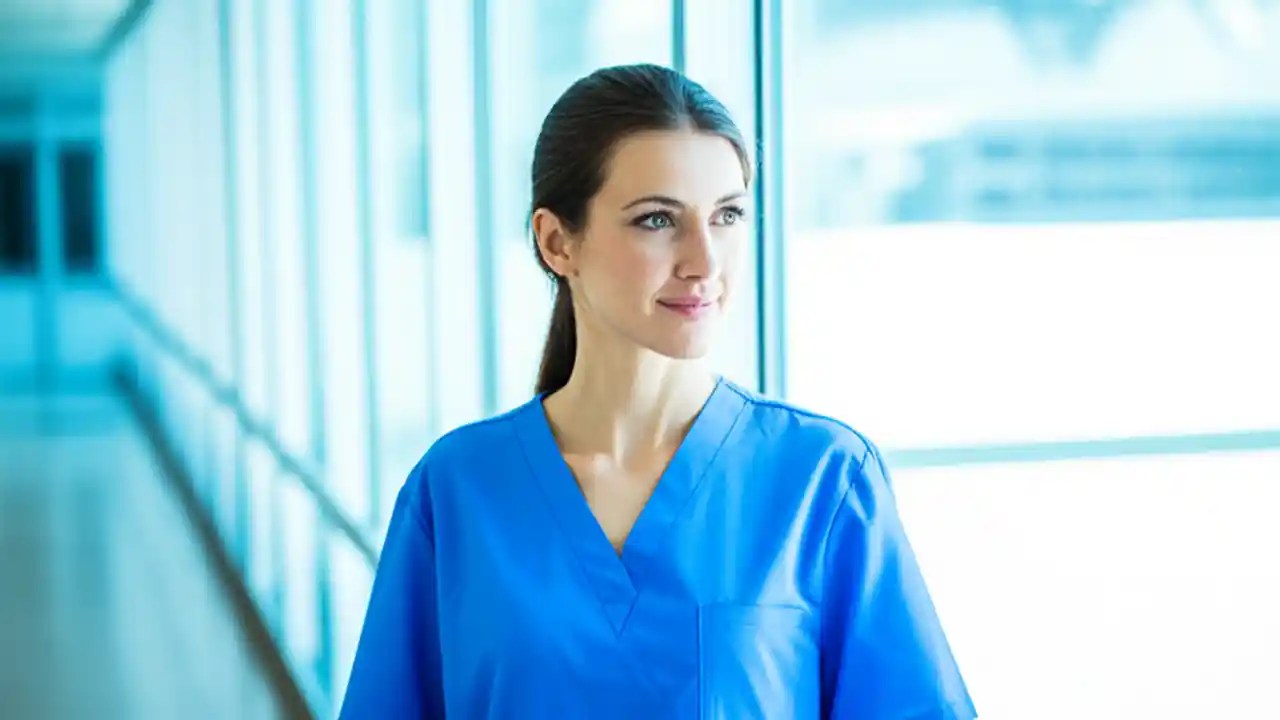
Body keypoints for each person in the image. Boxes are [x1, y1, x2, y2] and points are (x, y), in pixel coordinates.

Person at [338, 63, 976, 719]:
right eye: (656, 220)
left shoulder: (822, 478)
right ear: (557, 243)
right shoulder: (458, 489)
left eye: (727, 215)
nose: (705, 261)